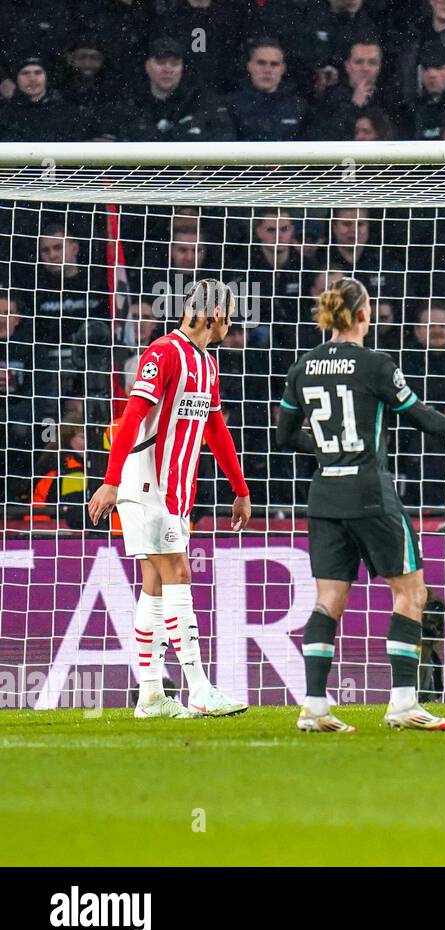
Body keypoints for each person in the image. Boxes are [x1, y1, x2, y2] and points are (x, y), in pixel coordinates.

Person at [276, 278, 445, 732]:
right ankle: (402, 703)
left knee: (328, 601)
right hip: (370, 491)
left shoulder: (301, 368)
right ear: (361, 315)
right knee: (411, 593)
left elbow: (282, 435)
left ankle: (314, 706)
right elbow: (418, 416)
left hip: (324, 493)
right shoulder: (376, 364)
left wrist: (323, 449)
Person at [86, 279, 251, 719]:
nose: (231, 325)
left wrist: (240, 489)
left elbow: (215, 430)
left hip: (173, 489)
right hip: (144, 484)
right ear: (215, 315)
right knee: (177, 570)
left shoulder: (207, 364)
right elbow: (133, 416)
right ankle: (198, 688)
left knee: (155, 584)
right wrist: (111, 481)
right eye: (229, 316)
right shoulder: (162, 352)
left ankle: (152, 696)